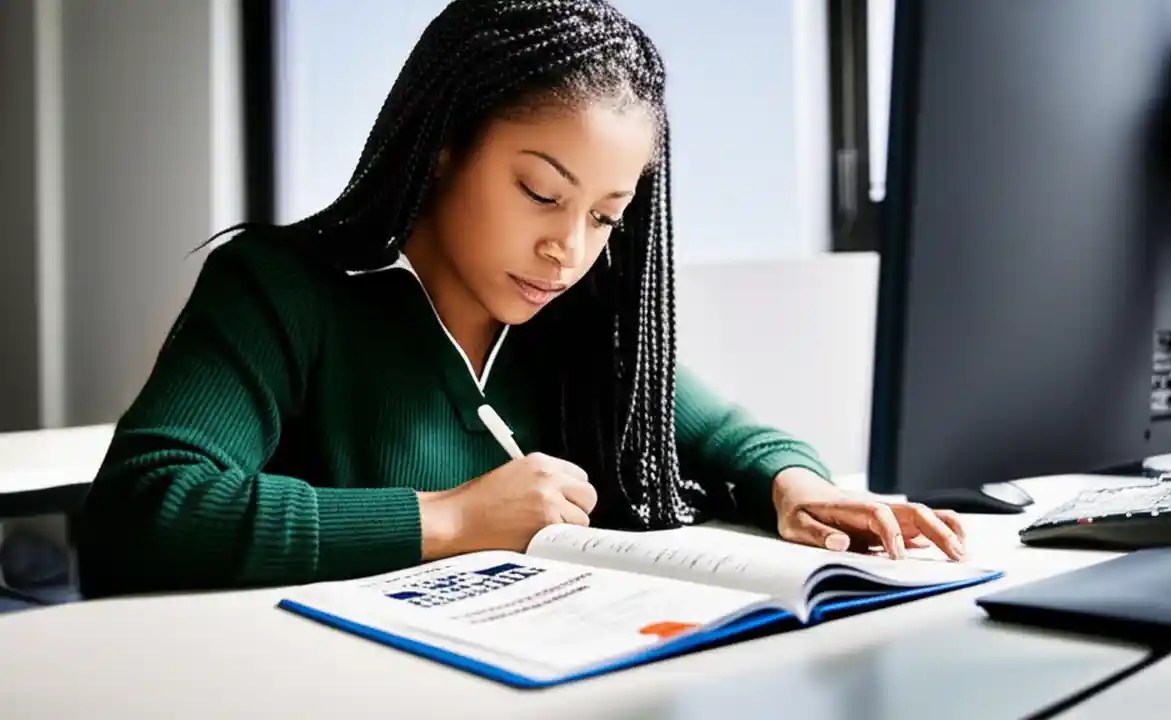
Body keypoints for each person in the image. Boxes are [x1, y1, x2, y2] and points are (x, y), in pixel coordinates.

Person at [77, 0, 965, 597]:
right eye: (542, 193)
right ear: (443, 148)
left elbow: (735, 436)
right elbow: (143, 513)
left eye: (605, 218)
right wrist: (456, 518)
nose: (567, 249)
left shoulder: (570, 321)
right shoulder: (280, 291)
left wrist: (798, 485)